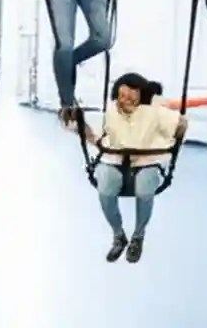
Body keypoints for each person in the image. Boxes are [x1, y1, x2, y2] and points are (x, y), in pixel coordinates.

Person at [72, 72, 188, 264]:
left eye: (132, 96)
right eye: (122, 96)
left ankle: (138, 236)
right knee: (105, 186)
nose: (126, 101)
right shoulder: (110, 111)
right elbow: (90, 131)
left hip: (146, 161)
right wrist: (76, 121)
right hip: (114, 160)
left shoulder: (153, 112)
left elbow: (180, 124)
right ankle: (119, 235)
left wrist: (175, 139)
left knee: (145, 186)